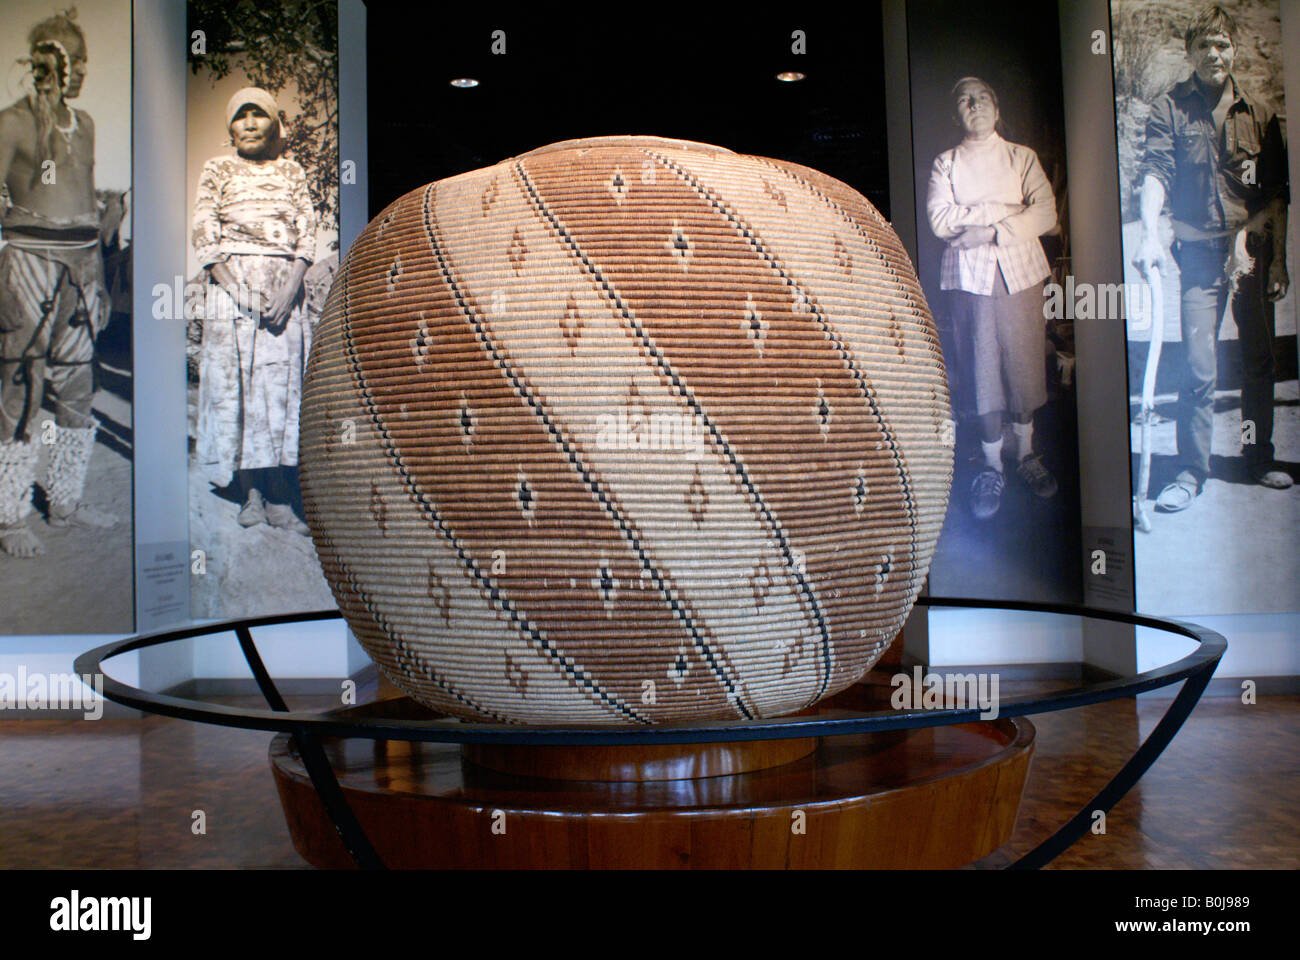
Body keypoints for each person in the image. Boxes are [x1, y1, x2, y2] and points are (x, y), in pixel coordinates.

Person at [1133, 4, 1291, 512]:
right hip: (1199, 256)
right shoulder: (1169, 109)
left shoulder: (1260, 113)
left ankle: (1255, 453)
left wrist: (1275, 260)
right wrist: (1152, 235)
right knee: (1199, 368)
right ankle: (1191, 469)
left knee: (1257, 362)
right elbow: (1155, 172)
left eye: (1222, 44)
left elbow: (1273, 195)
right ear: (1189, 52)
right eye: (1204, 45)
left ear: (1234, 50)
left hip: (1253, 250)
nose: (1213, 53)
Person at [0, 9, 118, 558]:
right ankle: (9, 519)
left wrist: (96, 282)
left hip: (81, 268)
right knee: (20, 390)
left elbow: (89, 206)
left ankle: (66, 503)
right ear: (57, 60)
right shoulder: (12, 123)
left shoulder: (87, 123)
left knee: (76, 388)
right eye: (81, 60)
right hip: (27, 261)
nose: (86, 72)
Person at [927, 76, 1060, 521]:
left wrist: (991, 230)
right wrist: (1007, 211)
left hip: (1020, 272)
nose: (975, 104)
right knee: (982, 373)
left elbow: (1045, 212)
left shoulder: (1023, 157)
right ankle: (989, 466)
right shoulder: (944, 163)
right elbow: (940, 220)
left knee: (1023, 367)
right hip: (969, 278)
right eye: (965, 100)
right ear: (955, 114)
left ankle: (1025, 456)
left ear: (996, 108)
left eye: (983, 97)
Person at [192, 86, 316, 536]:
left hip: (284, 288)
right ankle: (250, 493)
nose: (248, 123)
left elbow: (307, 233)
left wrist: (289, 289)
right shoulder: (217, 169)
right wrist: (237, 290)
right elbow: (204, 233)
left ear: (273, 124)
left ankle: (282, 494)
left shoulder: (293, 171)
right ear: (230, 126)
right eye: (240, 116)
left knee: (280, 390)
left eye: (258, 115)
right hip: (232, 291)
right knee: (239, 389)